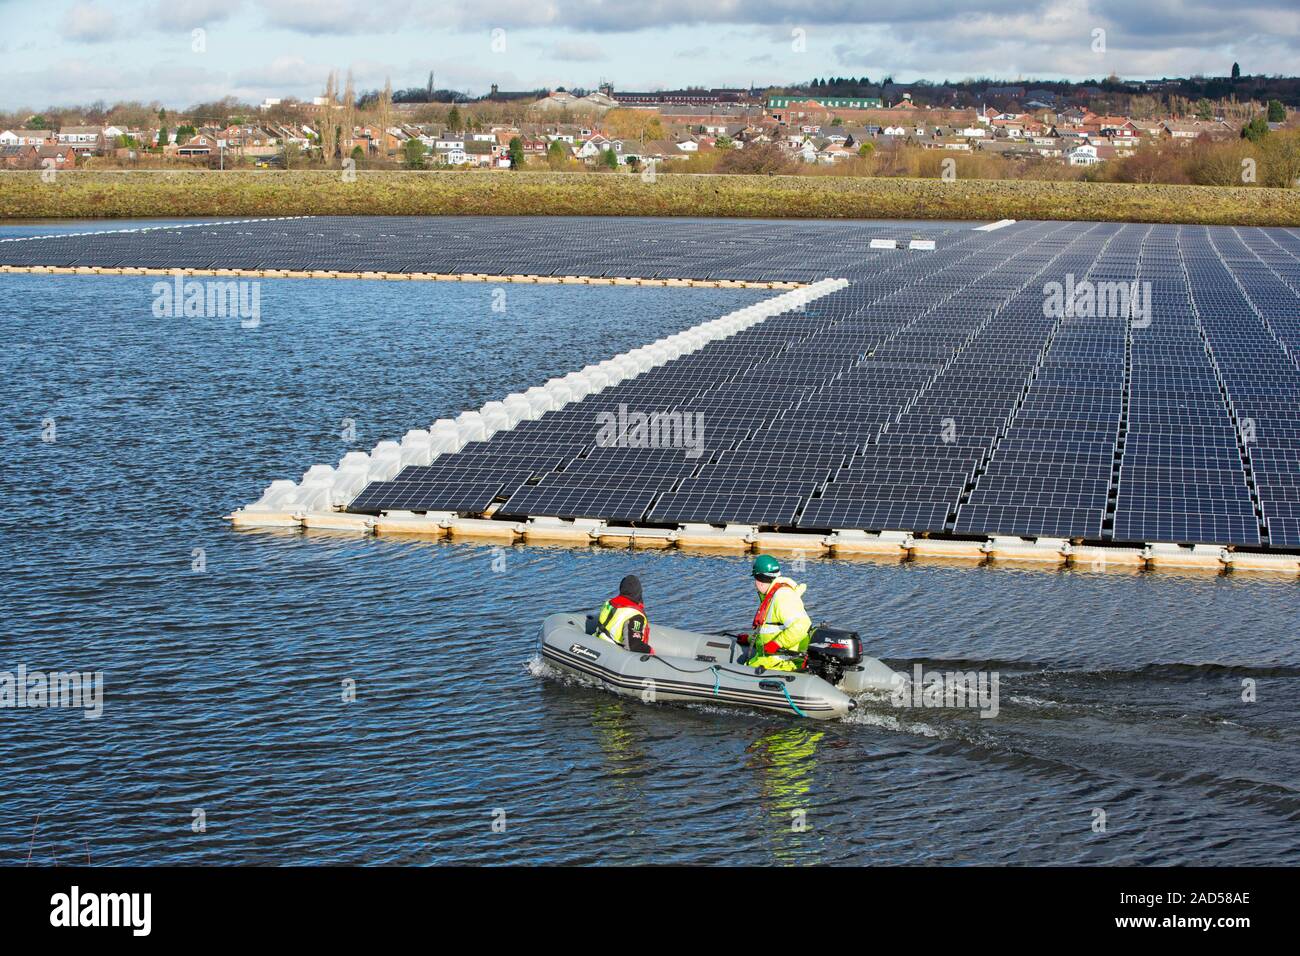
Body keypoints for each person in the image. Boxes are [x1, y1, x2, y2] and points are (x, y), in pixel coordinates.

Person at [740, 555, 811, 671]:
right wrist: (749, 639)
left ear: (760, 581)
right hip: (770, 658)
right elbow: (772, 629)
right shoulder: (773, 595)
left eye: (755, 580)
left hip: (782, 662)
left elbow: (802, 625)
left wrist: (777, 644)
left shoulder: (782, 596)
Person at [594, 574, 652, 653]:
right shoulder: (635, 615)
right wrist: (649, 650)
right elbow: (634, 646)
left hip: (597, 641)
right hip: (613, 651)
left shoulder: (609, 602)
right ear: (639, 592)